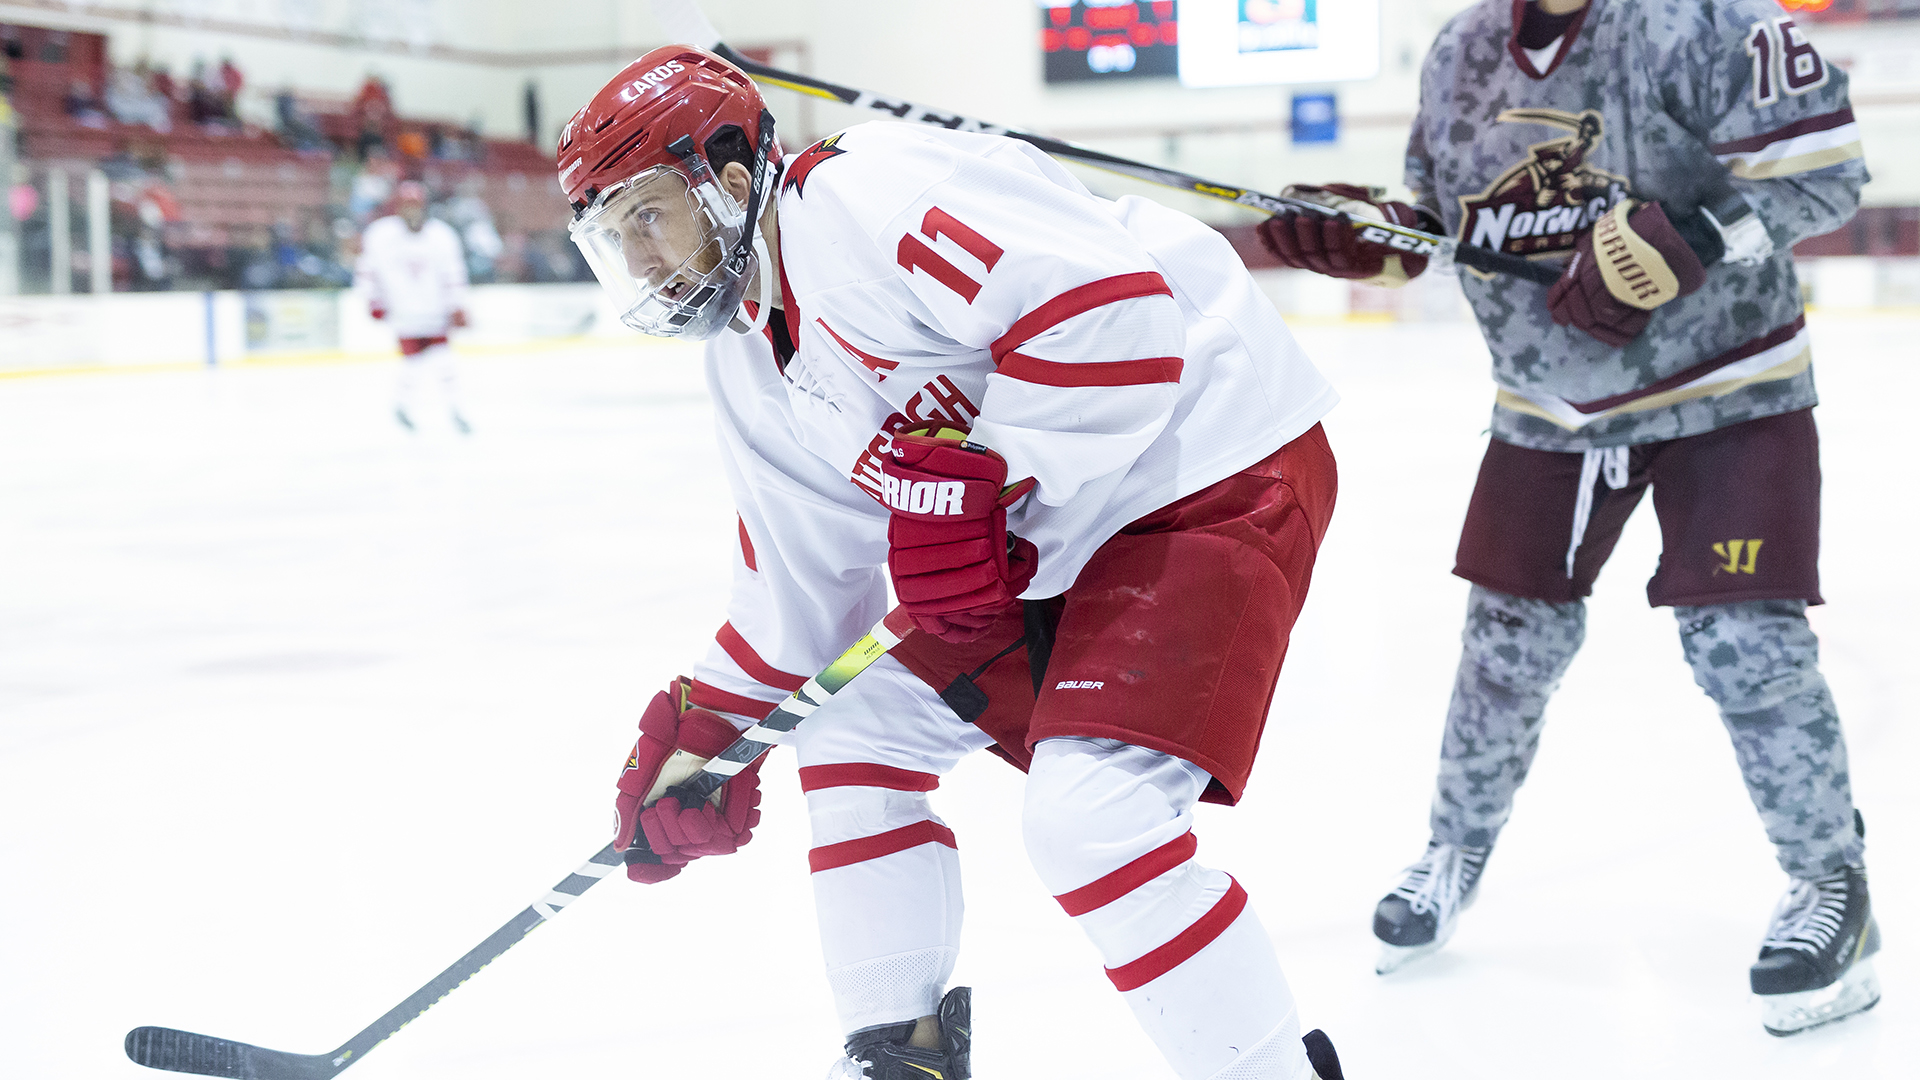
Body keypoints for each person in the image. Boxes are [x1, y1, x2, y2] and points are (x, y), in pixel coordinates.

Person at [559, 46, 1348, 1080]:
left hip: (1198, 471)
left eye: (648, 215)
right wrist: (706, 733)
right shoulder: (749, 361)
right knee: (847, 729)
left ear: (730, 181)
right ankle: (902, 1059)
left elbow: (1119, 313)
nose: (643, 260)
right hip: (1046, 545)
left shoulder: (870, 198)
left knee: (1090, 825)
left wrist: (990, 475)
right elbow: (804, 607)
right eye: (613, 237)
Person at [1255, 0, 1875, 1037]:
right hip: (1550, 407)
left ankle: (1830, 882)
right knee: (1505, 645)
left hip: (1731, 388)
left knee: (1741, 646)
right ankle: (1454, 848)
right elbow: (1450, 227)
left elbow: (1826, 175)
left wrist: (1700, 237)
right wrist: (1376, 236)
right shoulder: (1458, 51)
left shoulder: (1704, 20)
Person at [355, 181, 470, 433]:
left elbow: (454, 274)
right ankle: (404, 406)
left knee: (444, 362)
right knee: (413, 363)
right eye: (407, 206)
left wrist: (458, 306)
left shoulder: (442, 236)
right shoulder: (380, 235)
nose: (412, 211)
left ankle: (454, 411)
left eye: (416, 206)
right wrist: (373, 300)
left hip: (435, 315)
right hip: (405, 316)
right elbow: (367, 271)